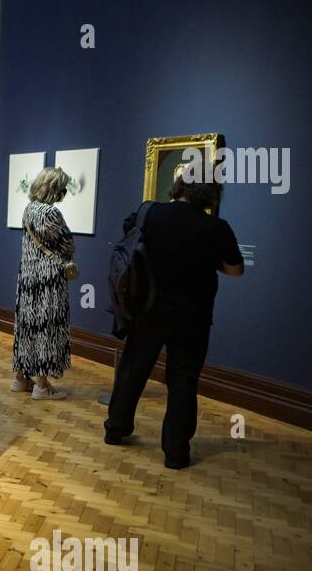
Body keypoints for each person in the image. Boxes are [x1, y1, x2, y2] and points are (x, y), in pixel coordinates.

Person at [103, 165, 243, 468]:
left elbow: (128, 237)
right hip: (194, 316)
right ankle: (176, 452)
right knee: (183, 381)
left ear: (179, 185)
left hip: (148, 309)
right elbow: (235, 269)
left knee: (133, 370)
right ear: (210, 194)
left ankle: (116, 429)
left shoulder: (149, 213)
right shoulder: (216, 228)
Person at [12, 167, 78, 399]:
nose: (64, 193)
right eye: (62, 188)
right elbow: (66, 242)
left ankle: (20, 378)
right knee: (46, 327)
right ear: (54, 188)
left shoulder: (29, 209)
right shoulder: (50, 213)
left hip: (28, 276)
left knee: (27, 325)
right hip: (48, 279)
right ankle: (41, 386)